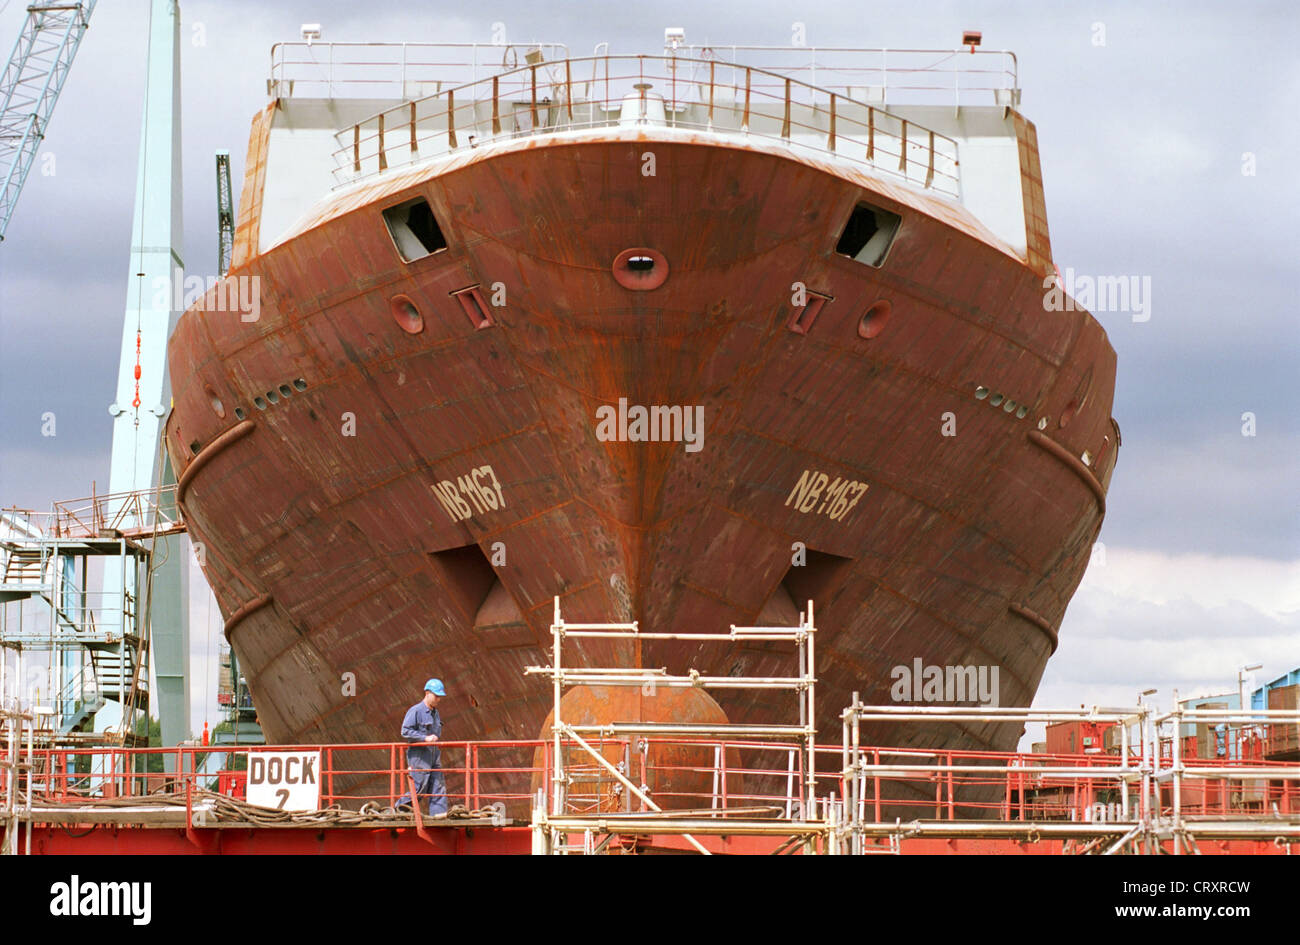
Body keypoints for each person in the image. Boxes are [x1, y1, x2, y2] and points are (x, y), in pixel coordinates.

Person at [395, 678, 448, 816]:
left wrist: (434, 738)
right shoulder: (416, 711)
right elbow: (405, 731)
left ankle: (439, 816)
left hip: (433, 756)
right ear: (427, 693)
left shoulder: (435, 713)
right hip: (419, 757)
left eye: (440, 697)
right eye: (436, 696)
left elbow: (436, 731)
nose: (438, 699)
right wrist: (425, 738)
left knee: (438, 785)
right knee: (419, 788)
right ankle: (399, 809)